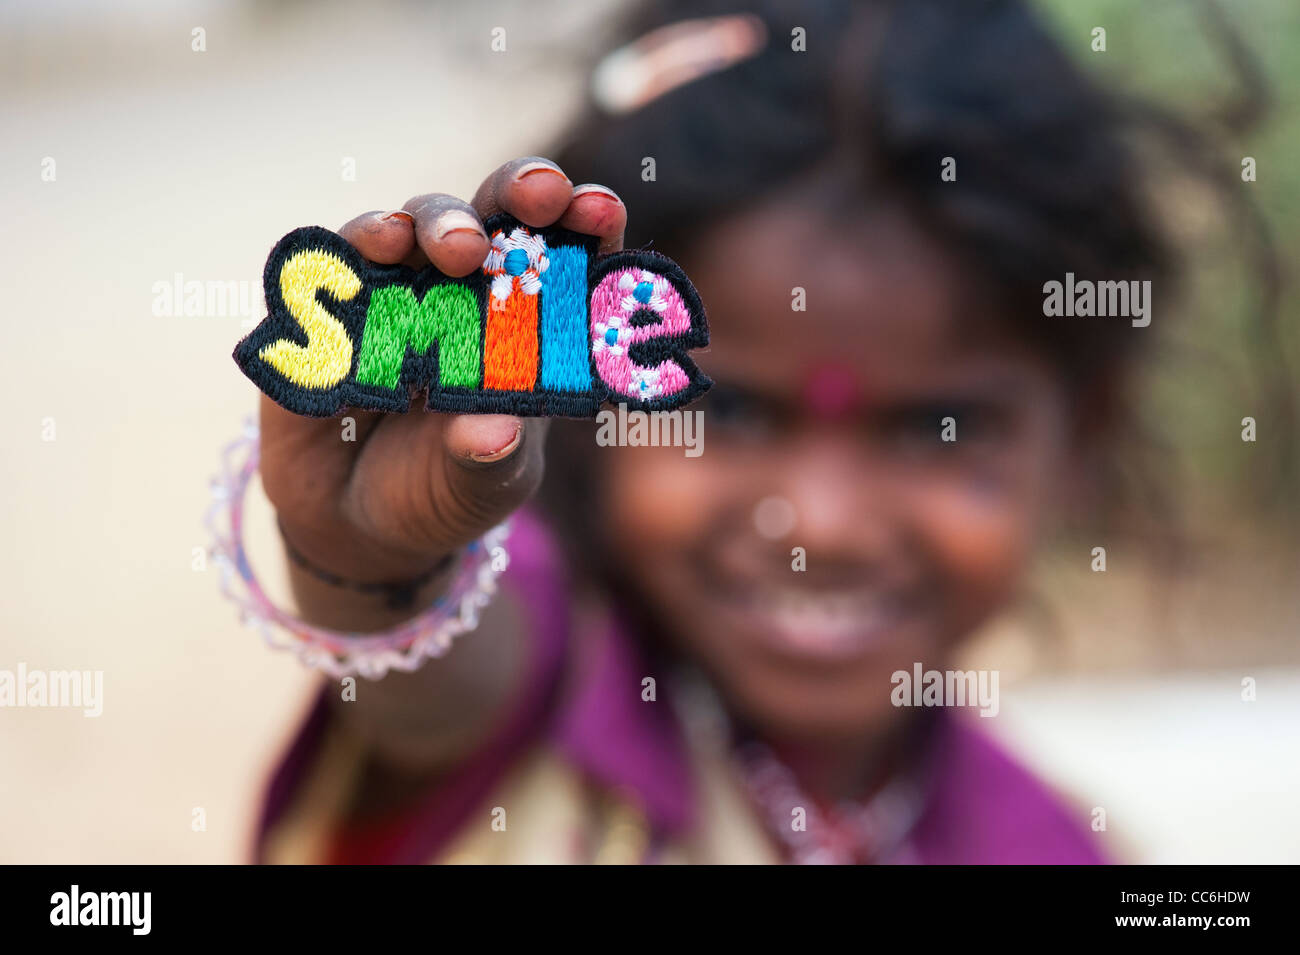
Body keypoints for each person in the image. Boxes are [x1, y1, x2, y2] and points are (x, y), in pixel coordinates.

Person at [252, 0, 1177, 863]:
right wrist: (376, 563)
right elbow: (429, 683)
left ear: (1083, 434)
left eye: (938, 427)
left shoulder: (1049, 843)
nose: (822, 526)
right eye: (727, 411)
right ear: (587, 388)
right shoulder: (550, 669)